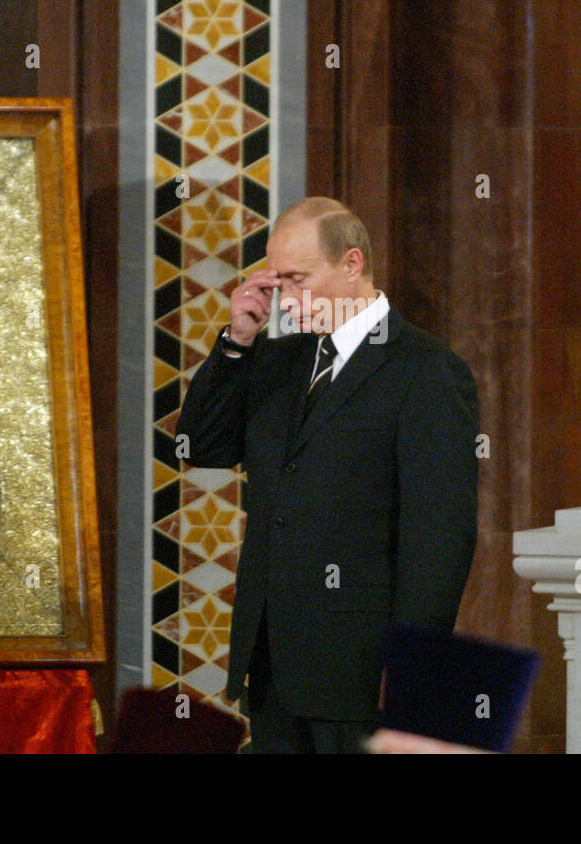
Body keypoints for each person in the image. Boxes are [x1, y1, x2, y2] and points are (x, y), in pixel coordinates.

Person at [176, 196, 479, 753]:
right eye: (278, 282)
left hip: (362, 675)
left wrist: (413, 664)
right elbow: (202, 447)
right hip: (271, 666)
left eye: (299, 279)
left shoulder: (426, 371)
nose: (287, 299)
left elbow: (440, 535)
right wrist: (238, 341)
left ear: (352, 264)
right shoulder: (277, 361)